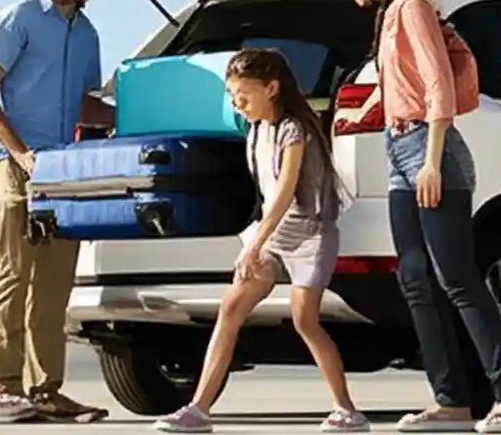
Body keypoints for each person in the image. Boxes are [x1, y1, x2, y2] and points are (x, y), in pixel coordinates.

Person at [322, 0, 501, 433]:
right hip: (400, 149)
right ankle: (452, 404)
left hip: (428, 148)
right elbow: (402, 82)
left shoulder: (412, 5)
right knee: (414, 276)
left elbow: (439, 85)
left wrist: (433, 161)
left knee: (457, 277)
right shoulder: (388, 14)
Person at [154, 48, 371, 434]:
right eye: (232, 94)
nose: (237, 103)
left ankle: (346, 409)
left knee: (306, 320)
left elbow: (286, 191)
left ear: (271, 88)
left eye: (244, 94)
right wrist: (256, 242)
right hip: (272, 235)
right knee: (232, 306)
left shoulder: (294, 129)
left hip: (309, 235)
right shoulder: (256, 130)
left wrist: (254, 245)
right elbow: (268, 197)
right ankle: (198, 409)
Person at [0, 0, 116, 423]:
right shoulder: (18, 20)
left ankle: (45, 391)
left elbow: (85, 107)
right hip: (14, 167)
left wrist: (130, 111)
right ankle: (1, 390)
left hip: (64, 173)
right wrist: (20, 153)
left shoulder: (89, 33)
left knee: (55, 287)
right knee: (13, 275)